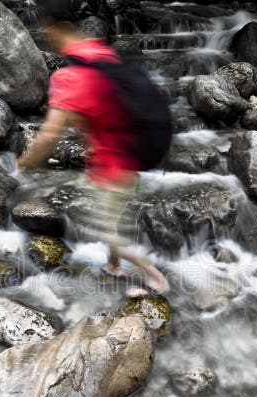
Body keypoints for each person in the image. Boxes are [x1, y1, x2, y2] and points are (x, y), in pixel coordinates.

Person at [18, 0, 169, 295]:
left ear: (56, 28)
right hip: (131, 152)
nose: (45, 37)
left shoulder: (70, 76)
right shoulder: (100, 53)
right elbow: (104, 109)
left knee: (105, 229)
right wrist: (92, 142)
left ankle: (153, 276)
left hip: (113, 166)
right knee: (112, 221)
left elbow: (49, 136)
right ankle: (113, 267)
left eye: (45, 29)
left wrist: (23, 164)